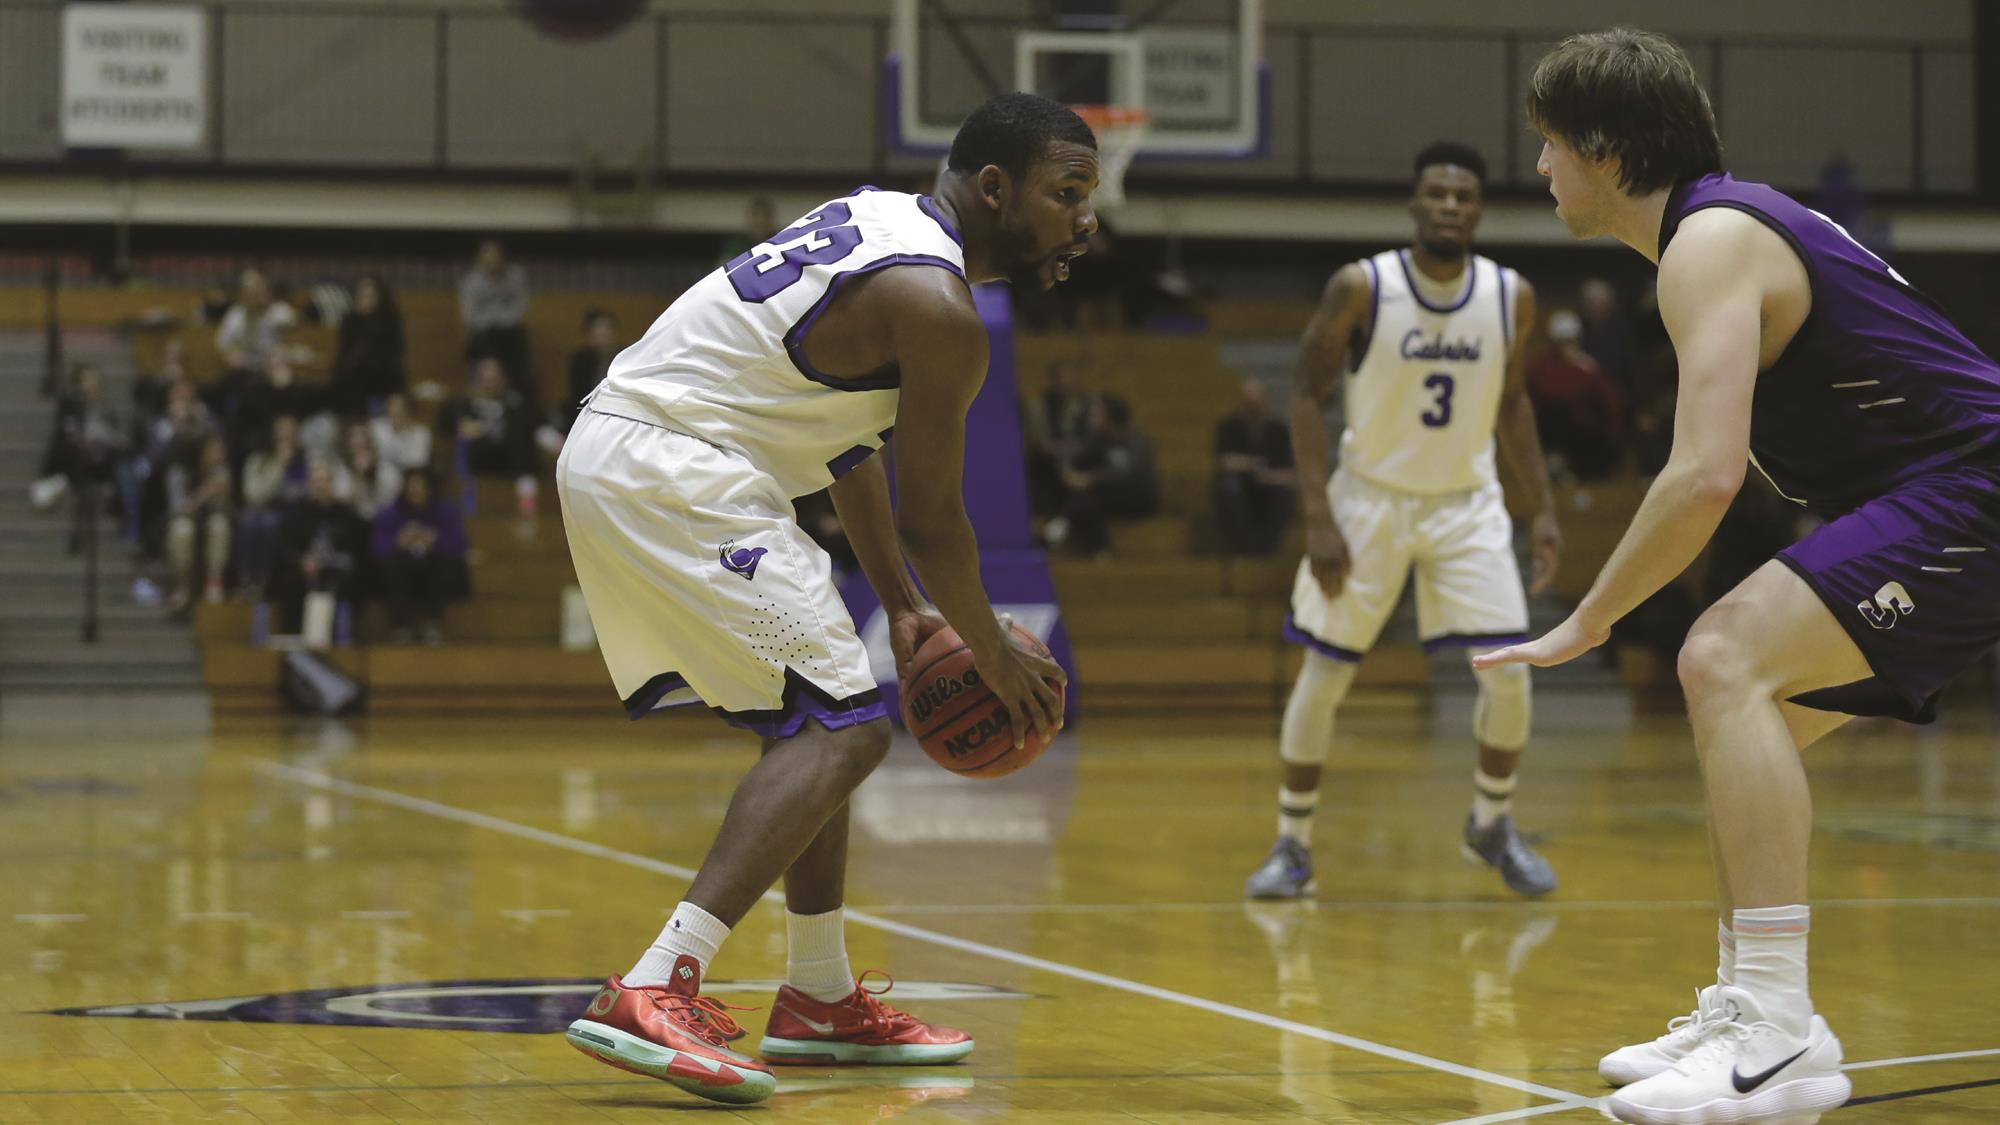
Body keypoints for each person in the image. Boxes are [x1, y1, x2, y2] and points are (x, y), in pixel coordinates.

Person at [1484, 29, 2000, 1124]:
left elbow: (1703, 477)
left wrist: (1587, 619)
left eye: (1551, 143)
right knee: (1750, 728)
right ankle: (1754, 1011)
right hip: (1948, 496)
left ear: (1607, 151)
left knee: (1720, 657)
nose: (1539, 166)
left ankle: (1772, 1027)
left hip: (1975, 492)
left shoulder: (1709, 242)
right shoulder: (1724, 230)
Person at [556, 91, 1089, 1105]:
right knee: (845, 729)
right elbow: (939, 519)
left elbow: (847, 446)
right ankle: (655, 984)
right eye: (1066, 193)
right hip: (675, 465)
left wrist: (901, 605)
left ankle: (818, 997)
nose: (1085, 219)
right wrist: (992, 653)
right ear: (995, 188)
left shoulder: (879, 223)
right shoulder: (940, 309)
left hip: (645, 453)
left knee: (821, 717)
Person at [1244, 141, 1564, 903]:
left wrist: (1544, 507)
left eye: (1464, 195)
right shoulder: (1362, 286)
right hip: (1370, 499)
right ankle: (1292, 844)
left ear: (1478, 209)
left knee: (1509, 673)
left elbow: (1513, 402)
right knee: (1326, 672)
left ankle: (1491, 823)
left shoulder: (1511, 295)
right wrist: (1318, 515)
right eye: (1437, 193)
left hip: (1467, 502)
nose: (1450, 205)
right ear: (1415, 202)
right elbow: (1303, 393)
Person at [1051, 395, 1156, 557]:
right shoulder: (1099, 439)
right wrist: (1068, 471)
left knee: (1088, 498)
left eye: (1098, 411)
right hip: (1103, 496)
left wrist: (1090, 479)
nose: (1092, 415)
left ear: (1110, 415)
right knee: (1085, 501)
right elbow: (1072, 452)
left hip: (1137, 497)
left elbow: (1128, 475)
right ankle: (1099, 550)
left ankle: (1057, 529)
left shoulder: (1136, 441)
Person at [370, 467, 467, 644]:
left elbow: (459, 543)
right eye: (411, 485)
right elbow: (378, 545)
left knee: (442, 563)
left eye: (420, 485)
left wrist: (435, 539)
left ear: (430, 488)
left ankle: (433, 623)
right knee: (390, 565)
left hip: (434, 569)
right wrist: (398, 541)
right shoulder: (390, 513)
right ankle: (400, 626)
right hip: (401, 570)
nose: (416, 490)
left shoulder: (445, 511)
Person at [1528, 308, 1626, 480]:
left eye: (1571, 340)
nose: (1567, 346)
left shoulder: (1589, 367)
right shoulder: (1540, 366)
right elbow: (1538, 395)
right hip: (1551, 430)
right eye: (1562, 341)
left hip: (1584, 434)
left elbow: (1612, 402)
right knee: (1554, 413)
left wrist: (1613, 431)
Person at [271, 460, 364, 633]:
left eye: (324, 481)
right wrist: (302, 560)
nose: (320, 486)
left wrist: (336, 562)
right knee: (291, 582)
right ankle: (293, 634)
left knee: (350, 581)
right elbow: (286, 546)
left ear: (332, 483)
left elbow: (355, 548)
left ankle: (342, 635)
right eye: (316, 481)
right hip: (306, 567)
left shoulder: (346, 514)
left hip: (337, 568)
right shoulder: (298, 513)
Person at [1213, 376, 1296, 555]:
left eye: (1256, 403)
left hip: (1270, 488)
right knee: (1229, 488)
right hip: (1241, 488)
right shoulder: (1228, 427)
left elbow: (1290, 473)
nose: (1253, 408)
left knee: (1284, 493)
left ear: (1265, 401)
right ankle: (1245, 549)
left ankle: (1268, 550)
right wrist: (1252, 465)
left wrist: (1267, 476)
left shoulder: (1279, 431)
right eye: (1248, 403)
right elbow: (1222, 462)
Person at [165, 435, 233, 613]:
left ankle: (214, 582)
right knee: (182, 530)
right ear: (200, 452)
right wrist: (206, 492)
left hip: (210, 520)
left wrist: (224, 494)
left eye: (221, 451)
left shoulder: (222, 473)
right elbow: (179, 509)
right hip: (184, 520)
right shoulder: (179, 472)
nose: (219, 455)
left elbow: (226, 511)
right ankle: (183, 586)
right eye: (214, 451)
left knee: (219, 524)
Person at [460, 239, 532, 402]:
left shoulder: (516, 276)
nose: (492, 260)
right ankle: (480, 392)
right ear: (479, 258)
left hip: (510, 334)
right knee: (477, 339)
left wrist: (498, 320)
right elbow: (469, 315)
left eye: (495, 255)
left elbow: (520, 310)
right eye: (487, 255)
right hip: (483, 335)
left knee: (517, 337)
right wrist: (493, 321)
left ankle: (515, 394)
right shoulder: (471, 281)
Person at [329, 276, 406, 416]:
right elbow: (345, 353)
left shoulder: (389, 320)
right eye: (362, 296)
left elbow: (393, 353)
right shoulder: (350, 320)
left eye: (371, 296)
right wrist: (361, 319)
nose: (366, 300)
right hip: (355, 376)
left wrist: (370, 321)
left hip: (383, 377)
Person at [370, 392, 432, 474]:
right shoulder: (376, 427)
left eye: (399, 413)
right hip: (378, 474)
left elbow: (420, 461)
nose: (395, 417)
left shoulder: (421, 432)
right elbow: (369, 456)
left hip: (409, 475)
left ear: (409, 411)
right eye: (391, 409)